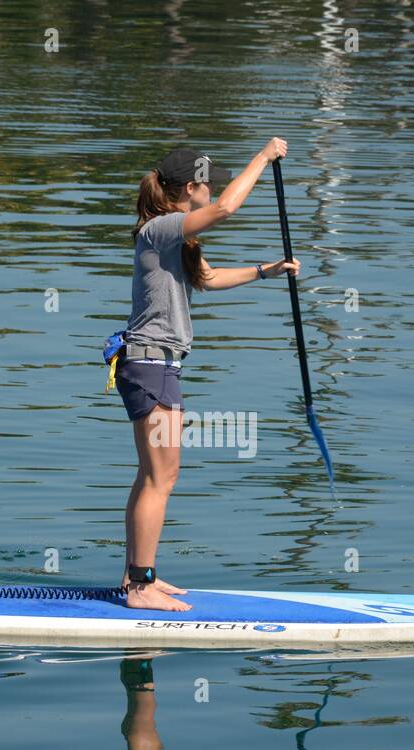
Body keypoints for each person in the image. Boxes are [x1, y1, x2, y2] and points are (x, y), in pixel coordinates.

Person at [116, 139, 300, 611]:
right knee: (162, 477)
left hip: (158, 364)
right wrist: (262, 157)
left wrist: (266, 270)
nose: (213, 189)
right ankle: (141, 585)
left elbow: (208, 278)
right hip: (150, 364)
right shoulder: (159, 228)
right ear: (191, 188)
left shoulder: (177, 237)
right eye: (208, 182)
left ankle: (139, 574)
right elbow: (226, 209)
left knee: (153, 474)